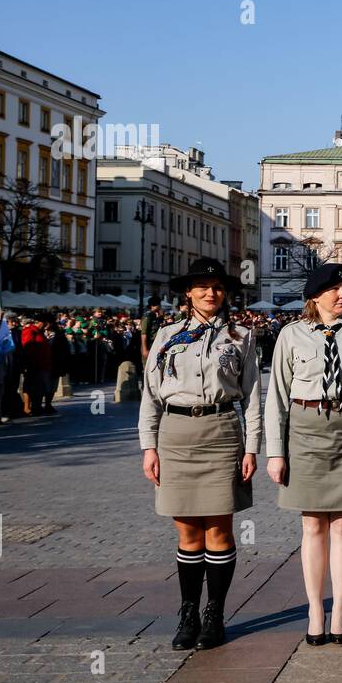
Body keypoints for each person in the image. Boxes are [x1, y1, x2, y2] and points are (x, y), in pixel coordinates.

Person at [139, 258, 261, 651]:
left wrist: (253, 447)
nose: (211, 293)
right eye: (203, 286)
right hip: (176, 434)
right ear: (187, 293)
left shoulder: (241, 336)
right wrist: (148, 447)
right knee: (188, 531)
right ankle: (188, 611)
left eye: (218, 287)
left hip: (222, 431)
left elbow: (253, 397)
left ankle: (215, 613)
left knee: (219, 530)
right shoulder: (166, 336)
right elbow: (150, 395)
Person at [265, 263, 342, 644]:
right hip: (306, 431)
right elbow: (278, 397)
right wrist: (275, 451)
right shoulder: (291, 335)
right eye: (335, 290)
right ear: (314, 296)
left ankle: (340, 607)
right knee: (313, 524)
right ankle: (315, 607)